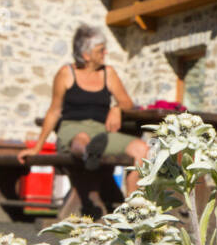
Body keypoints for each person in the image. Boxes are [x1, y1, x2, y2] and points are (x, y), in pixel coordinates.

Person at [21, 25, 148, 195]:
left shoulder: (108, 73)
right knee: (82, 138)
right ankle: (88, 154)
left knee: (141, 149)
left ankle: (135, 207)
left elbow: (127, 103)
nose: (106, 53)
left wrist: (117, 109)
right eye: (101, 50)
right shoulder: (66, 73)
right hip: (71, 128)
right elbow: (54, 111)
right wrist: (38, 147)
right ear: (86, 55)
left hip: (102, 132)